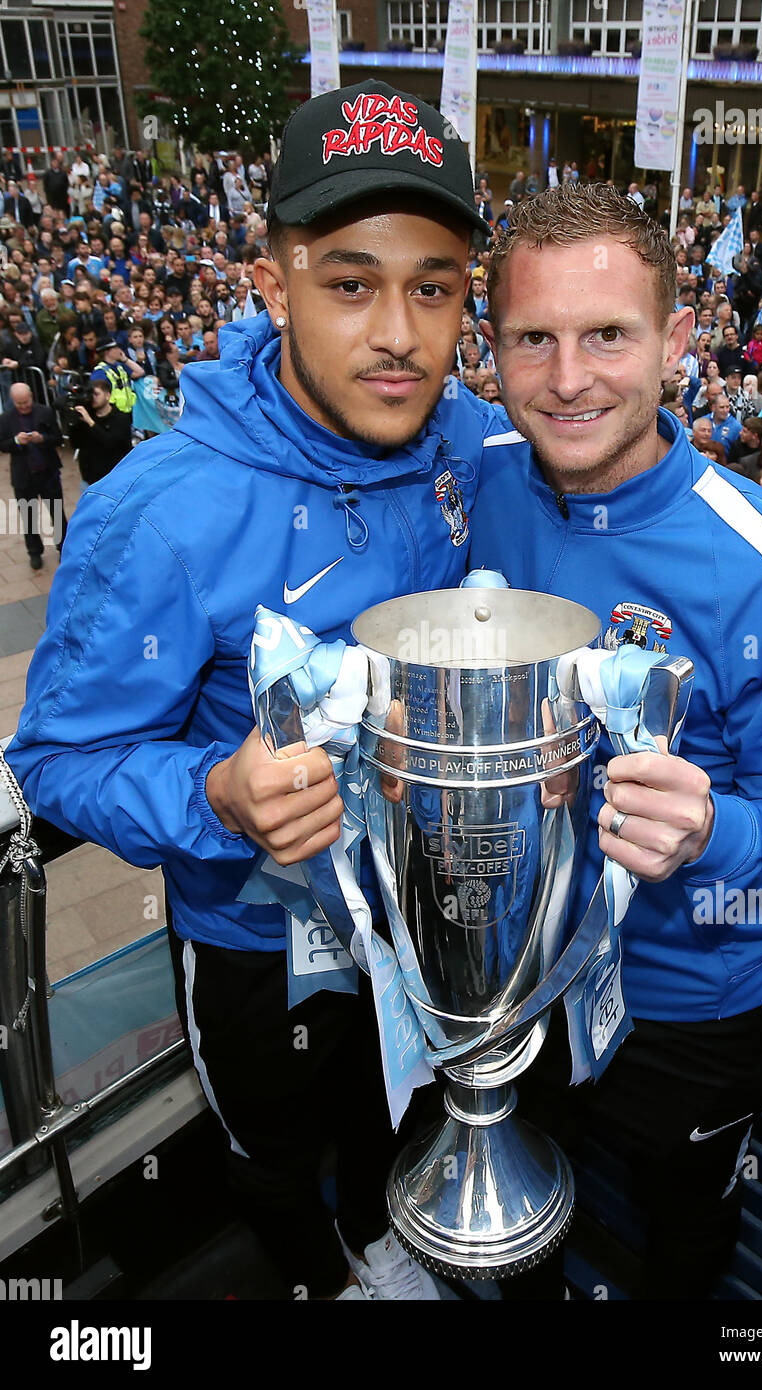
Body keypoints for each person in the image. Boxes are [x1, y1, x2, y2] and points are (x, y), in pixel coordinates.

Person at [5, 80, 507, 1302]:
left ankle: (383, 1240)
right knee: (272, 1152)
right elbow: (58, 759)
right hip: (254, 939)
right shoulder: (158, 509)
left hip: (417, 902)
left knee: (389, 1109)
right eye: (349, 282)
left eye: (431, 286)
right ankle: (319, 1279)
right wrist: (217, 793)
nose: (397, 331)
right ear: (275, 279)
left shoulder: (467, 440)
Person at [470, 182, 762, 1299]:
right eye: (532, 339)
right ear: (490, 347)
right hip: (517, 972)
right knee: (529, 1205)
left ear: (676, 340)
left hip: (691, 1001)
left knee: (685, 1238)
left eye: (607, 336)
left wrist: (712, 830)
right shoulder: (476, 479)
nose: (568, 377)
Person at [0, 380, 68, 569]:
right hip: (23, 475)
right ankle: (35, 552)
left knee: (57, 513)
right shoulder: (6, 419)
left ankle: (64, 547)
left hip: (47, 472)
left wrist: (42, 438)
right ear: (13, 401)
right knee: (29, 517)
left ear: (31, 396)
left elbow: (58, 438)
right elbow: (2, 444)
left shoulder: (44, 412)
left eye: (26, 401)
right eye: (19, 403)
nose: (24, 406)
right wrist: (15, 441)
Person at [66, 377, 133, 488]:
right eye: (90, 394)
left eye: (96, 394)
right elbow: (75, 443)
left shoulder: (120, 418)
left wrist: (91, 422)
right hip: (90, 480)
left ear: (108, 395)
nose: (92, 398)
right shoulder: (86, 417)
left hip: (114, 479)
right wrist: (74, 422)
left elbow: (111, 442)